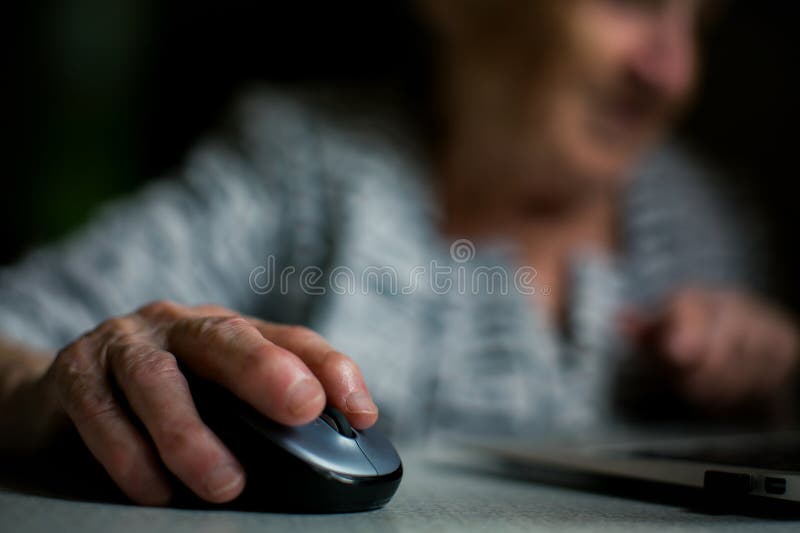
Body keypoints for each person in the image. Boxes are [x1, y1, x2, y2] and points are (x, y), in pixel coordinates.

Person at [1, 0, 798, 507]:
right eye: (633, 2)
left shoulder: (700, 218)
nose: (672, 71)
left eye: (699, 22)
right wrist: (59, 383)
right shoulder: (298, 173)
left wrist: (783, 377)